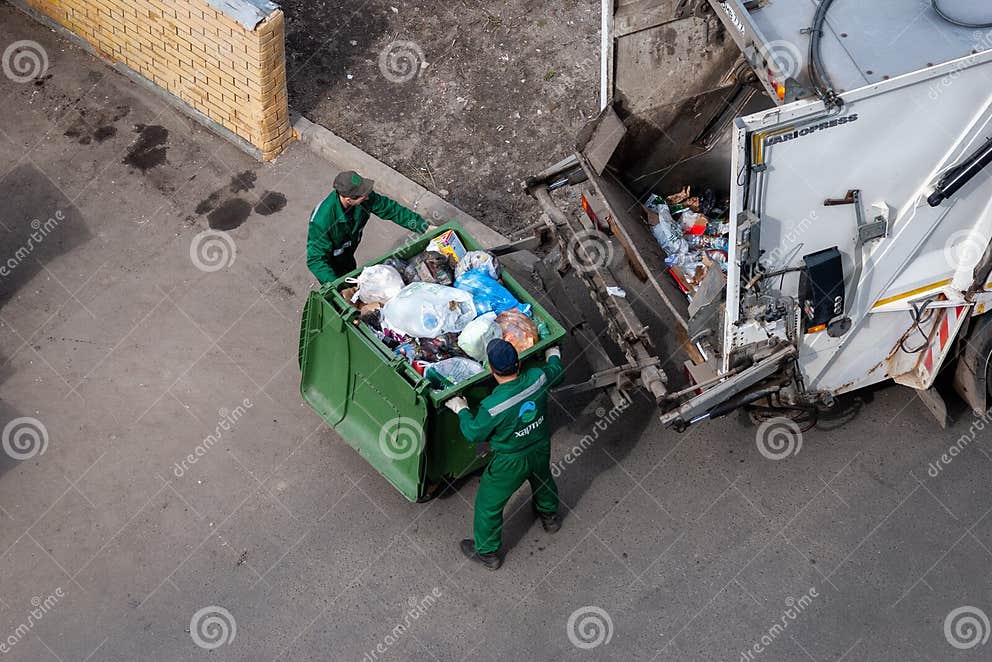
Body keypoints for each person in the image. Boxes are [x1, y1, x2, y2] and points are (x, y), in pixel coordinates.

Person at [444, 339, 565, 570]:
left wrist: (461, 409)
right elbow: (556, 371)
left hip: (510, 462)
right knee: (543, 479)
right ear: (518, 363)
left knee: (488, 505)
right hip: (539, 446)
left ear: (490, 369)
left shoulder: (493, 406)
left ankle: (487, 552)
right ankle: (549, 517)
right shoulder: (537, 379)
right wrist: (553, 352)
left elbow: (473, 432)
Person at [306, 170, 431, 284]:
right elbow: (316, 260)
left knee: (352, 276)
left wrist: (423, 226)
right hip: (331, 264)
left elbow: (392, 210)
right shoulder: (321, 221)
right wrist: (336, 286)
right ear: (349, 200)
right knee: (344, 292)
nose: (367, 197)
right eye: (363, 196)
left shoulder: (364, 198)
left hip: (347, 255)